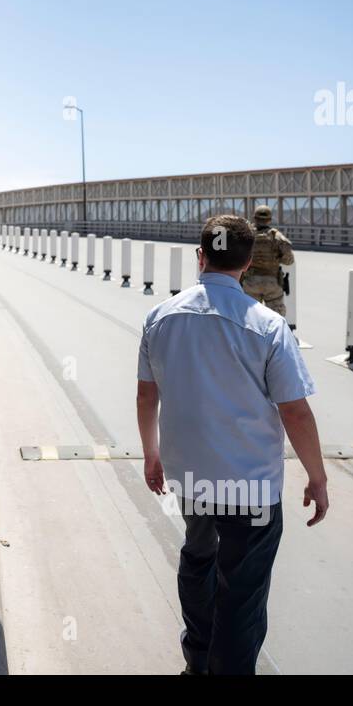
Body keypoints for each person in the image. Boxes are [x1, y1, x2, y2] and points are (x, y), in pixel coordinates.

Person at [137, 214, 328, 676]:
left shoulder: (160, 317)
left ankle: (197, 661)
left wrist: (152, 454)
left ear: (200, 257)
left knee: (198, 559)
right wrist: (317, 478)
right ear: (246, 264)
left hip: (191, 478)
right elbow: (295, 411)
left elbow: (147, 394)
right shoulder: (267, 326)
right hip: (251, 486)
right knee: (241, 592)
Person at [242, 205, 294, 315]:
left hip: (250, 283)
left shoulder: (246, 236)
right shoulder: (276, 236)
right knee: (276, 318)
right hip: (272, 283)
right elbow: (289, 260)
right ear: (269, 220)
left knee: (250, 317)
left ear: (254, 218)